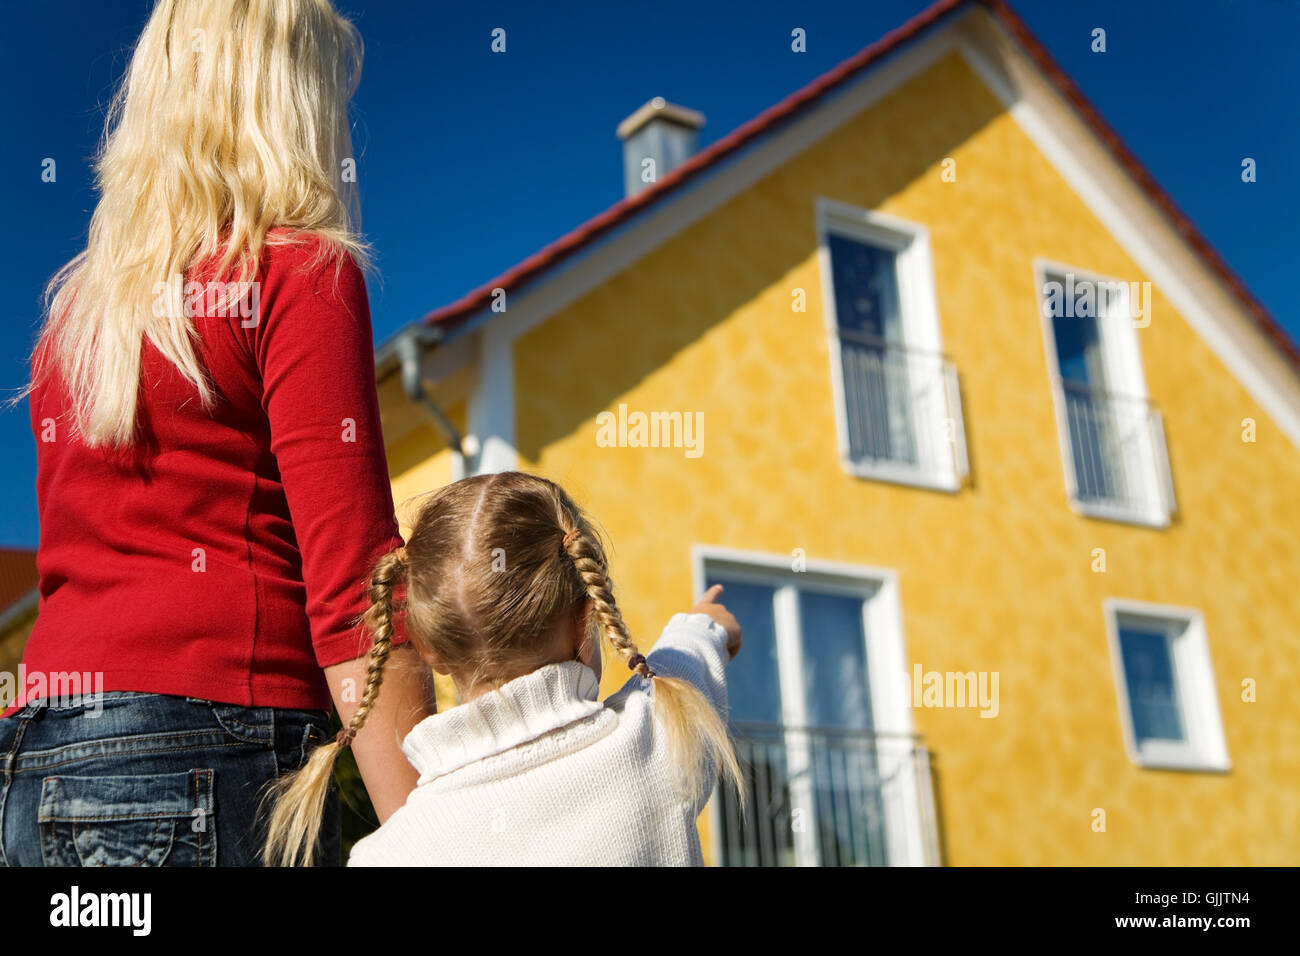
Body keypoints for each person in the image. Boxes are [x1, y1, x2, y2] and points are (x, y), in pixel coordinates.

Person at [0, 0, 435, 867]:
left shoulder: (76, 327)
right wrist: (438, 827)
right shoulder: (298, 269)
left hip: (39, 763)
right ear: (292, 98)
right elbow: (356, 590)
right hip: (214, 754)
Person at [264, 471, 744, 866]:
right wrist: (706, 624)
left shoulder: (388, 854)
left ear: (427, 648)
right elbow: (687, 661)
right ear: (586, 616)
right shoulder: (660, 738)